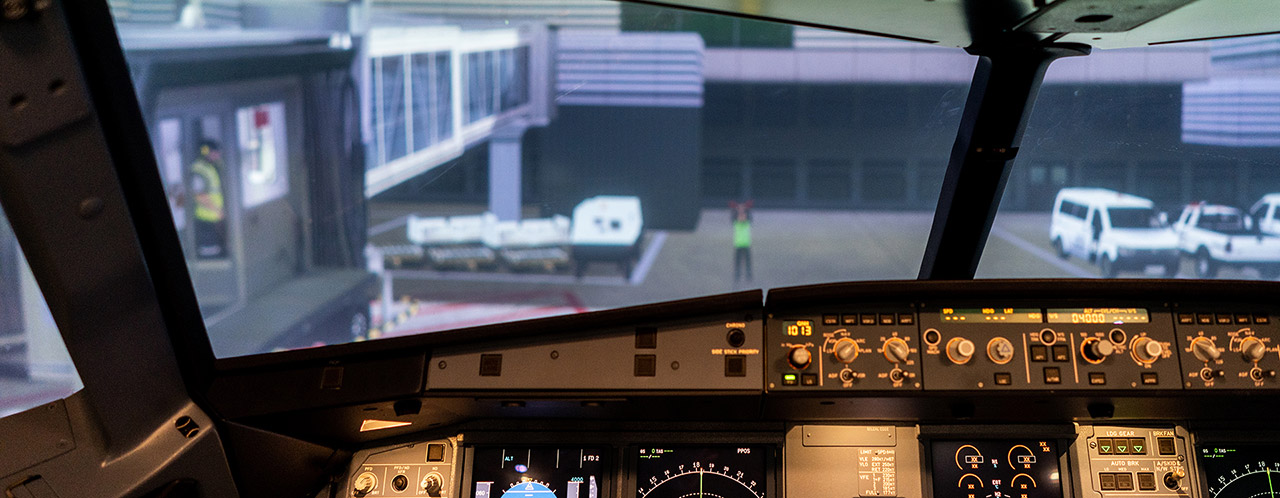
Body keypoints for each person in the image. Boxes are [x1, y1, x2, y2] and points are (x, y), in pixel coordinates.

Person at [190, 140, 227, 258]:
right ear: (206, 152)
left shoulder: (211, 167)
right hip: (205, 219)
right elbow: (199, 195)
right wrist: (217, 210)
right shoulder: (199, 169)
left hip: (213, 218)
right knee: (210, 253)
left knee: (217, 249)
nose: (218, 155)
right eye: (215, 152)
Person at [730, 200, 753, 283]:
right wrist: (738, 209)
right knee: (738, 262)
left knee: (748, 262)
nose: (742, 217)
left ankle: (748, 275)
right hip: (738, 244)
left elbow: (749, 216)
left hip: (746, 244)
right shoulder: (736, 223)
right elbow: (733, 216)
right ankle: (737, 275)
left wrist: (744, 209)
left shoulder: (747, 222)